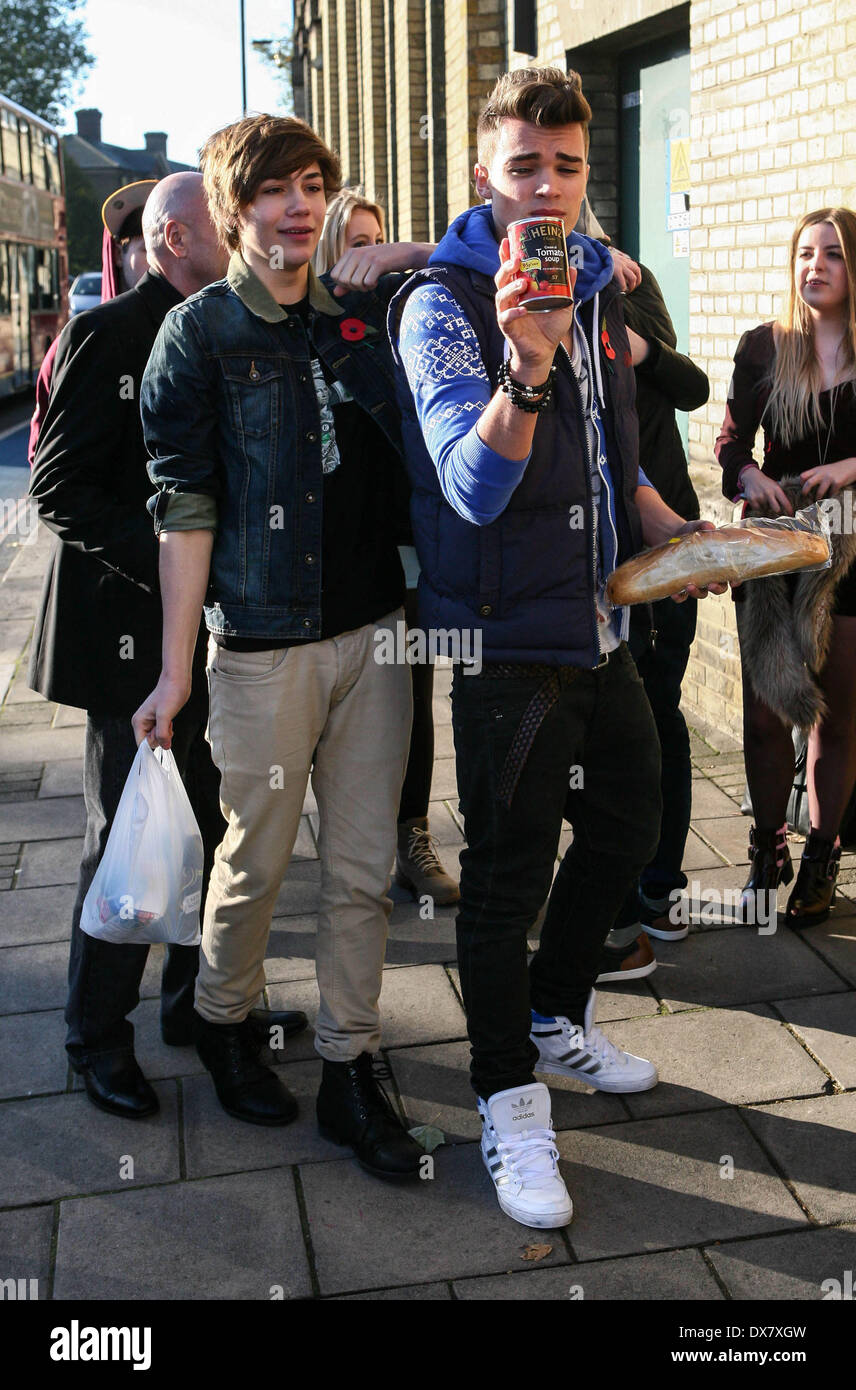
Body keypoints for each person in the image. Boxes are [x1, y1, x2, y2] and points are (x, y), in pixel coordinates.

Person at [389, 67, 725, 1228]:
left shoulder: (592, 287)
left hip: (597, 626)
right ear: (484, 168)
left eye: (567, 166)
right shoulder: (442, 302)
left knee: (629, 824)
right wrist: (523, 363)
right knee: (503, 877)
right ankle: (505, 1100)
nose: (547, 187)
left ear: (589, 173)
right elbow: (471, 489)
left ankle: (552, 1014)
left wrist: (674, 531)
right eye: (524, 164)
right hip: (500, 642)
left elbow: (615, 455)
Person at [134, 115, 436, 1177]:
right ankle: (223, 1015)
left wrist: (394, 251)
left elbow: (460, 266)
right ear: (234, 208)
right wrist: (176, 672)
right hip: (261, 648)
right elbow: (185, 508)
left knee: (360, 870)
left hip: (378, 639)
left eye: (313, 184)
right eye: (274, 189)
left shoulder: (358, 317)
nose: (298, 205)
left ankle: (353, 1067)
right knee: (255, 860)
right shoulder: (201, 335)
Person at [28, 171, 307, 1121]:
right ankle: (94, 1037)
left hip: (221, 627)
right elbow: (58, 487)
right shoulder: (103, 332)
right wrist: (178, 563)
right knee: (128, 838)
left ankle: (195, 1007)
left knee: (216, 826)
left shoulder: (234, 323)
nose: (240, 236)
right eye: (219, 225)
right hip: (126, 637)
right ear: (175, 240)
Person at [573, 203, 711, 983]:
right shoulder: (525, 300)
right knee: (604, 728)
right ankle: (613, 892)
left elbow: (689, 386)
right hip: (580, 546)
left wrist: (637, 346)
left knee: (659, 708)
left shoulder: (631, 285)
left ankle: (657, 890)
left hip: (656, 535)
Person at [316, 188, 459, 906]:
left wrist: (410, 255)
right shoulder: (305, 322)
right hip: (329, 554)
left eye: (379, 242)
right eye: (353, 244)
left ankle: (412, 836)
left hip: (404, 543)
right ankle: (339, 841)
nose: (367, 260)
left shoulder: (406, 309)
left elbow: (483, 261)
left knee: (411, 694)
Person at [716, 206, 856, 929]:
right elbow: (732, 443)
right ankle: (767, 848)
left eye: (832, 254)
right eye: (806, 254)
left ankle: (823, 854)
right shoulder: (765, 347)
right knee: (767, 717)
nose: (816, 266)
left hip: (853, 551)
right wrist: (749, 480)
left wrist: (849, 466)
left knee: (837, 712)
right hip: (773, 550)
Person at [28, 180, 156, 468]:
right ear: (118, 256)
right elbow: (48, 463)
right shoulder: (81, 339)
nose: (163, 260)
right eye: (148, 248)